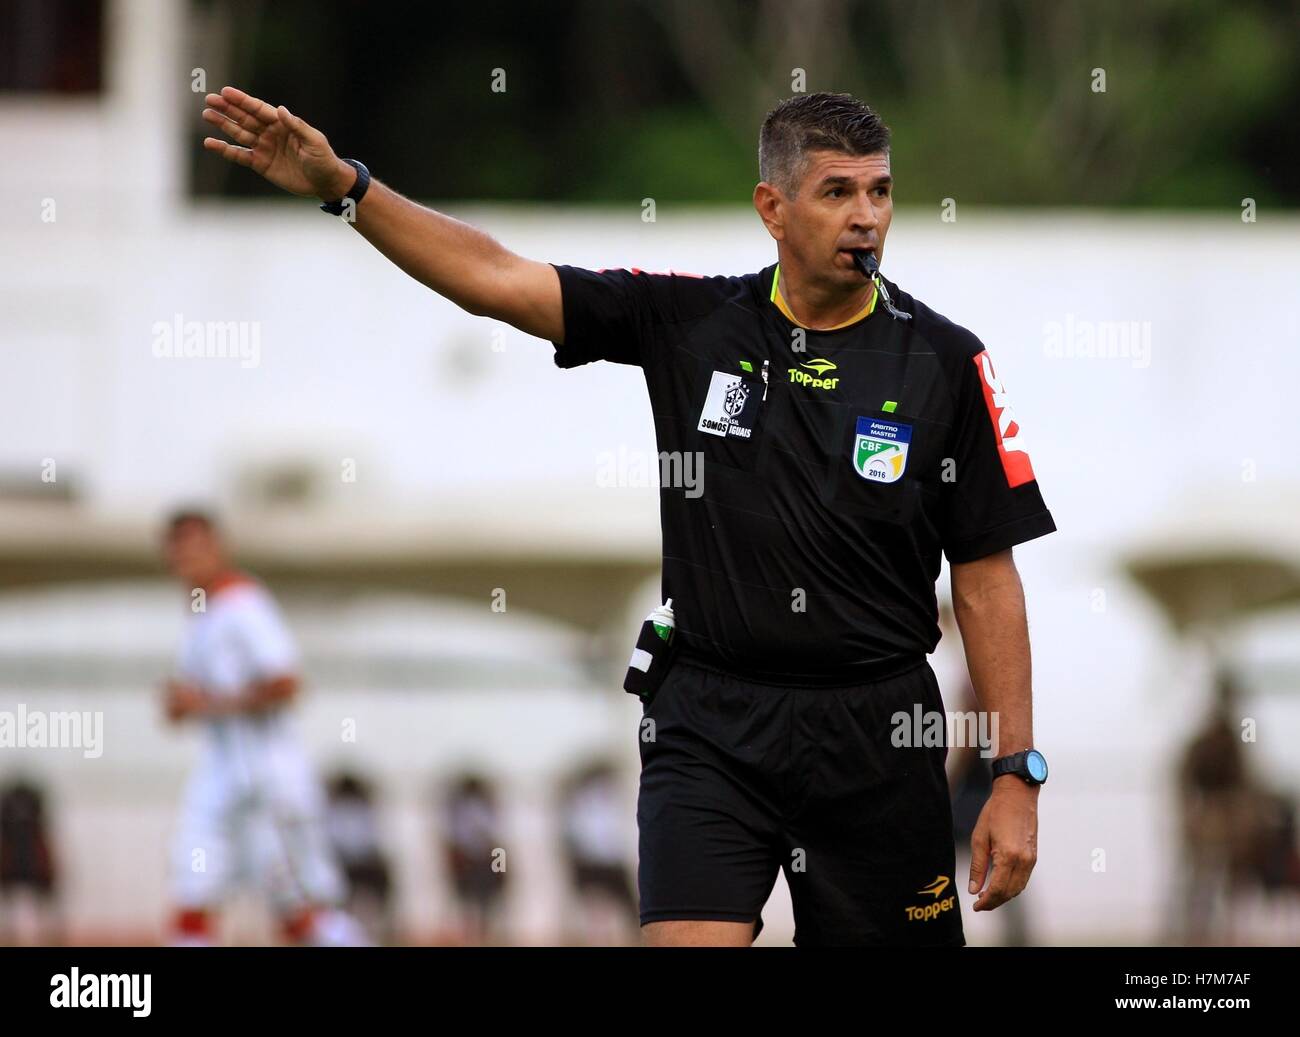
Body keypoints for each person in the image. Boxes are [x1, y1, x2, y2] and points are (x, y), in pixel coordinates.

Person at [200, 88, 1056, 946]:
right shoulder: (692, 324)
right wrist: (348, 188)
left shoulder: (946, 361)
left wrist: (1014, 772)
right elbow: (495, 278)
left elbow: (985, 580)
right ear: (773, 207)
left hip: (878, 734)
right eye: (837, 192)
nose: (865, 216)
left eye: (879, 191)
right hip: (712, 723)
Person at [160, 509, 367, 946]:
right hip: (221, 780)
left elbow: (286, 682)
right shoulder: (201, 615)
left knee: (299, 909)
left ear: (218, 548)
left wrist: (210, 703)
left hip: (268, 779)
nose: (187, 559)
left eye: (196, 546)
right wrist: (182, 705)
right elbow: (191, 699)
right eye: (178, 549)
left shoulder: (244, 604)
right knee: (191, 891)